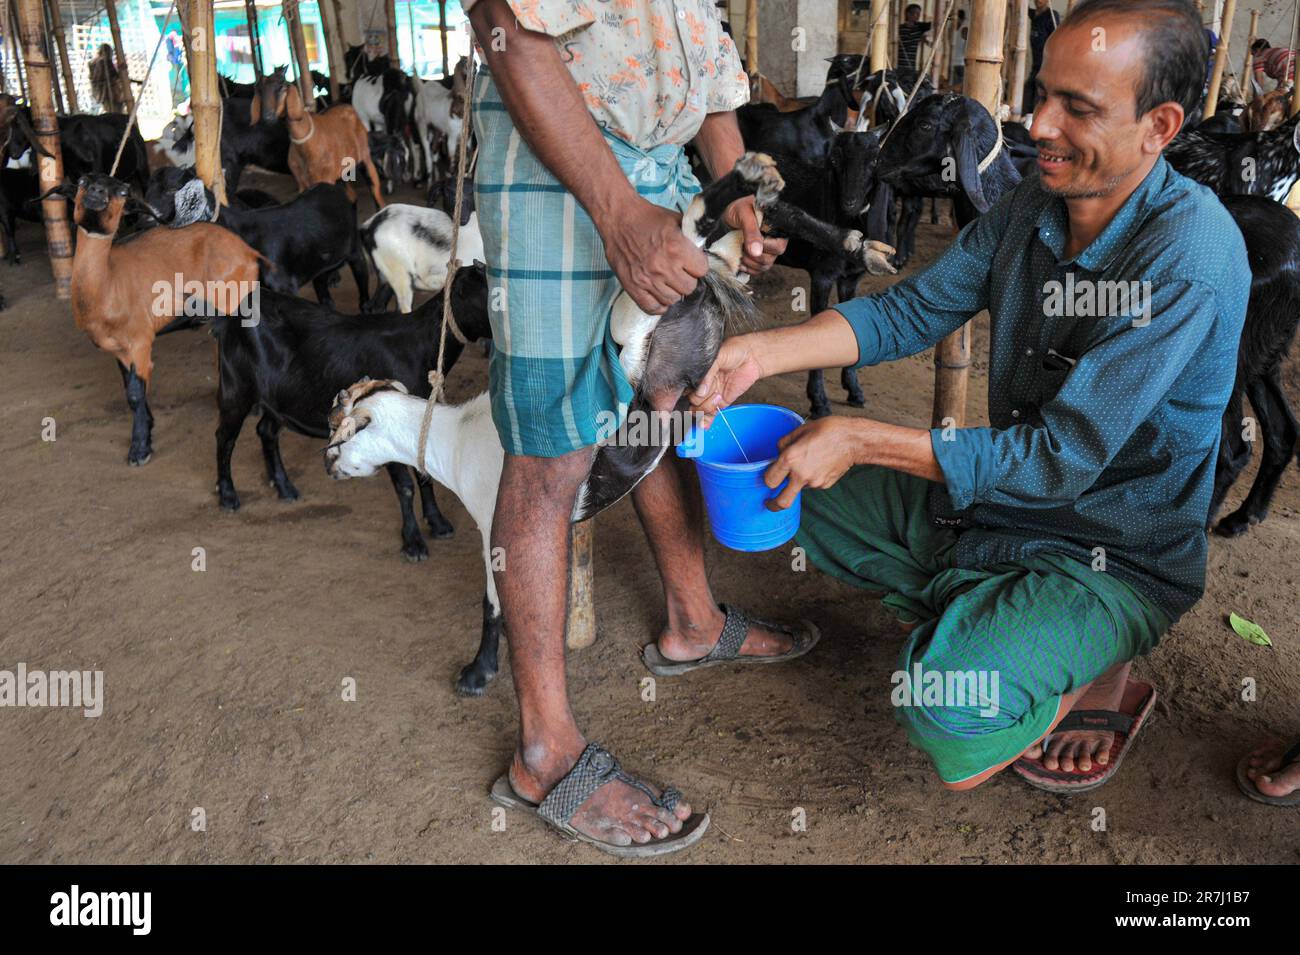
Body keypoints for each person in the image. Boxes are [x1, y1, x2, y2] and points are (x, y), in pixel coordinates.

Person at [690, 0, 1248, 793]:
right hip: (999, 506)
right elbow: (915, 308)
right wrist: (756, 350)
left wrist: (859, 438)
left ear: (1158, 125)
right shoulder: (1034, 201)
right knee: (783, 484)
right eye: (1041, 92)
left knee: (946, 708)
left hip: (1111, 550)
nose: (1039, 124)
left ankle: (1096, 655)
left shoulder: (1189, 256)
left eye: (1077, 108)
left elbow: (1058, 460)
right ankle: (1002, 611)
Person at [462, 0, 812, 857]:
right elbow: (503, 22)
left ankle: (692, 620)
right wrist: (617, 215)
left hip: (658, 174)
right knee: (552, 450)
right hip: (554, 169)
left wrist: (736, 197)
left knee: (661, 395)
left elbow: (711, 69)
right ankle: (545, 751)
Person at [1025, 0, 1061, 115]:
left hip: (1045, 64)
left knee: (1038, 94)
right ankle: (1027, 117)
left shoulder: (1051, 16)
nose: (1039, 0)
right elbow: (1018, 7)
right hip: (1034, 63)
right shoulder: (1032, 14)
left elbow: (1056, 40)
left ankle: (1032, 118)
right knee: (1028, 91)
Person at [898, 4, 932, 74]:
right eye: (915, 13)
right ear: (908, 14)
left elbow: (939, 23)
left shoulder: (919, 27)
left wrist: (949, 16)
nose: (918, 16)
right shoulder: (899, 28)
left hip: (911, 66)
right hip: (898, 65)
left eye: (919, 14)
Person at [950, 9, 968, 90]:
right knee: (956, 87)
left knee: (959, 87)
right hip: (955, 62)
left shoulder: (964, 29)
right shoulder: (951, 28)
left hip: (961, 63)